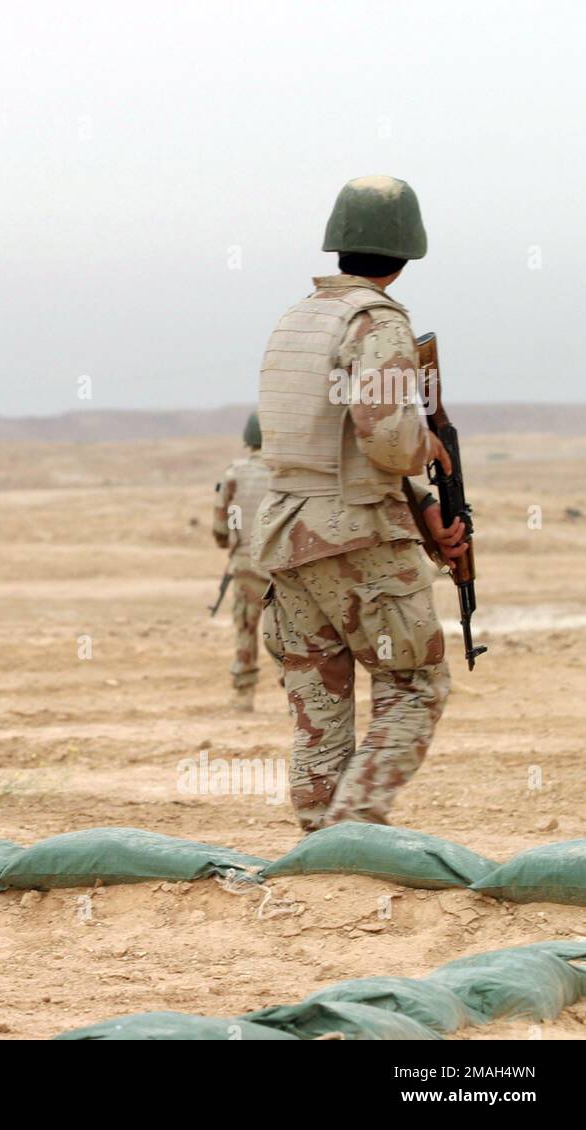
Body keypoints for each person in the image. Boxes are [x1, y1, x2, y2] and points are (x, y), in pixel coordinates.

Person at [252, 175, 469, 831]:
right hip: (359, 541)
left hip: (287, 541)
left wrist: (425, 517)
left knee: (320, 702)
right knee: (414, 688)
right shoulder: (378, 322)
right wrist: (427, 444)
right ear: (407, 252)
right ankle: (355, 831)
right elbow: (385, 437)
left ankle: (321, 846)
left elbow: (330, 440)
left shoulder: (296, 320)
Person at [212, 411, 280, 711]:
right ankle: (296, 693)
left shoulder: (233, 474)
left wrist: (228, 543)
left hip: (246, 563)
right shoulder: (286, 471)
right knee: (290, 633)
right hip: (283, 566)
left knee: (245, 628)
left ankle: (244, 694)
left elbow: (220, 524)